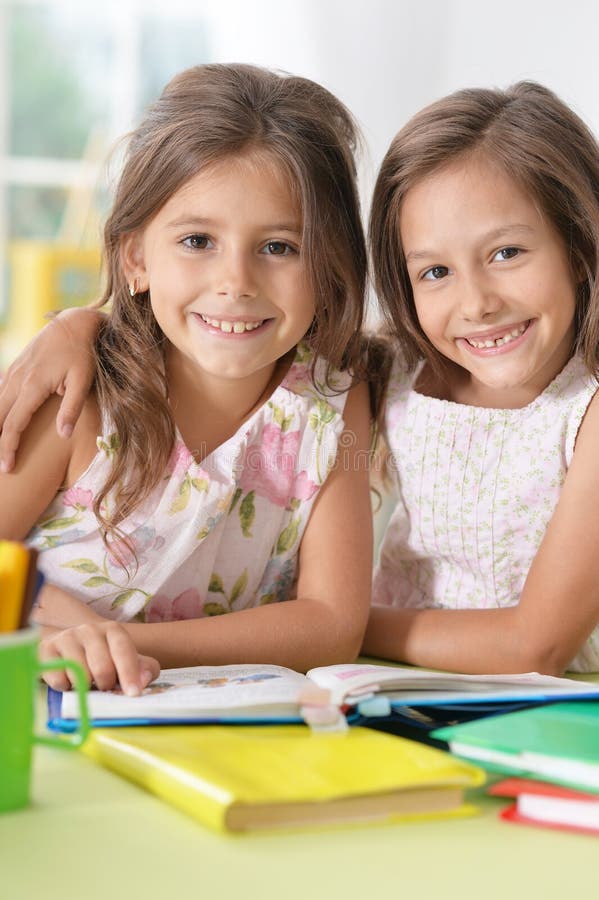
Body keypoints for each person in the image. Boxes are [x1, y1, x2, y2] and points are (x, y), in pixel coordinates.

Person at [0, 63, 375, 694]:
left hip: (212, 740)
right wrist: (54, 625)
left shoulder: (333, 405)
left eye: (280, 246)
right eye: (198, 240)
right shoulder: (76, 393)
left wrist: (110, 642)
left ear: (330, 266)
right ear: (137, 257)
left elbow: (333, 626)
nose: (236, 282)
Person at [364, 80, 599, 675]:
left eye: (505, 253)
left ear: (578, 244)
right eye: (436, 271)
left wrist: (330, 622)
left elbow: (535, 647)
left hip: (552, 711)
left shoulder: (587, 411)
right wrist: (87, 330)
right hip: (392, 688)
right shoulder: (397, 373)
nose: (476, 303)